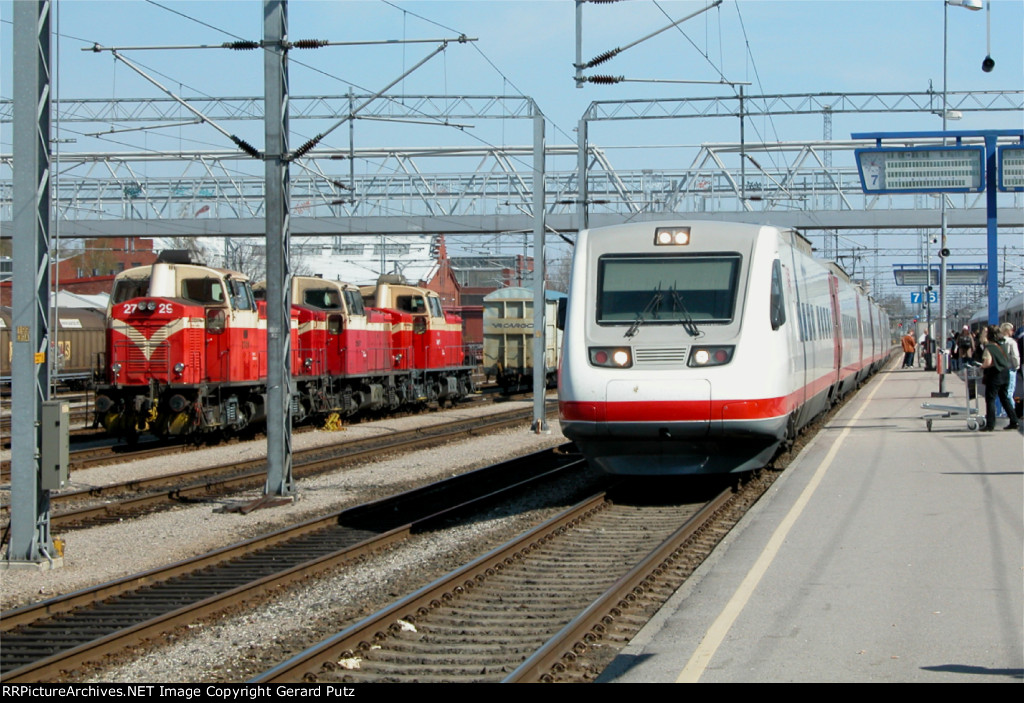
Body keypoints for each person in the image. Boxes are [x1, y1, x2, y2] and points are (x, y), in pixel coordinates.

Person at [980, 325, 1018, 431]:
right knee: (1004, 398)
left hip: (995, 375)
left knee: (990, 399)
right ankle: (1014, 421)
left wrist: (982, 366)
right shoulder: (1003, 345)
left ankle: (990, 425)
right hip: (1005, 373)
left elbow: (988, 362)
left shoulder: (989, 348)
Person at [997, 322, 1020, 419]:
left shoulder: (998, 341)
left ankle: (1002, 412)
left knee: (1002, 393)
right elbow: (1014, 356)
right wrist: (1017, 366)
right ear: (1007, 330)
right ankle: (1011, 414)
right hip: (1010, 369)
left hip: (1000, 370)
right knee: (1009, 392)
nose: (1013, 332)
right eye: (1011, 330)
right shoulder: (1011, 342)